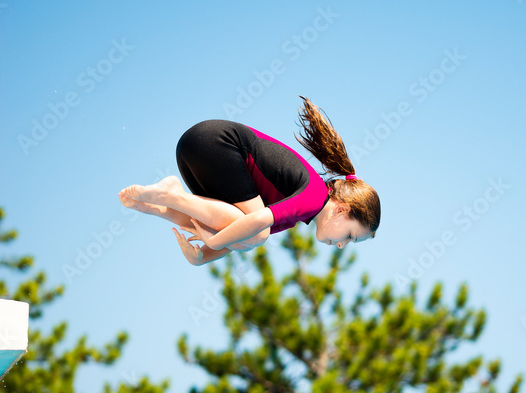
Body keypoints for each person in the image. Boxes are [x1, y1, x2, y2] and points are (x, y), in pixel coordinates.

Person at [118, 96, 380, 266]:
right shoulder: (313, 198)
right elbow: (256, 225)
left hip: (195, 149)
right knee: (257, 233)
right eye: (349, 235)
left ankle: (155, 206)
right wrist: (212, 243)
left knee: (232, 228)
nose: (342, 245)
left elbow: (239, 234)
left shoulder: (301, 211)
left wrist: (202, 257)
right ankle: (173, 196)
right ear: (342, 209)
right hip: (218, 144)